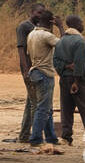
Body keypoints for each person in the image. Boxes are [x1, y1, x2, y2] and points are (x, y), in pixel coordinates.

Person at [54, 14, 85, 145]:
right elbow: (80, 63)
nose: (83, 25)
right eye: (81, 23)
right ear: (76, 24)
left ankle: (66, 137)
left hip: (64, 78)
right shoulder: (80, 41)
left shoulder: (60, 41)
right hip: (79, 80)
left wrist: (65, 67)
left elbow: (56, 62)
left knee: (66, 109)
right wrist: (76, 82)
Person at [7, 4, 46, 143]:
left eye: (43, 13)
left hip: (39, 67)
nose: (40, 15)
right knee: (36, 103)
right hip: (30, 68)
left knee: (31, 101)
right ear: (32, 12)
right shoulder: (24, 27)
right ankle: (36, 137)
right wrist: (25, 70)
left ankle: (24, 135)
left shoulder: (40, 28)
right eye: (38, 12)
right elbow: (21, 49)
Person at [26, 10, 62, 148]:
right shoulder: (46, 35)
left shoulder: (32, 34)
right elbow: (64, 45)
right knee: (43, 108)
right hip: (45, 72)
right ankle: (35, 138)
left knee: (47, 108)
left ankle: (51, 137)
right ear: (51, 21)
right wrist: (60, 26)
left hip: (34, 71)